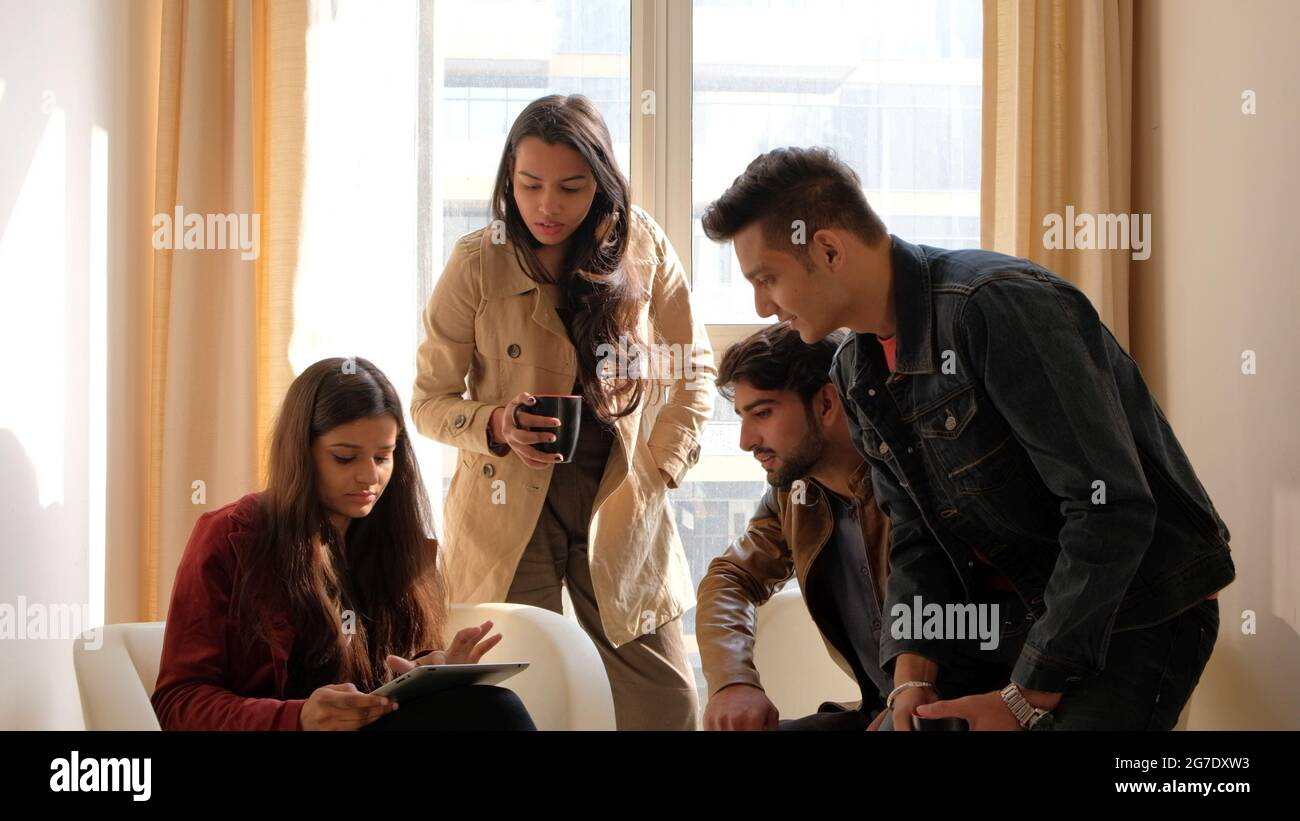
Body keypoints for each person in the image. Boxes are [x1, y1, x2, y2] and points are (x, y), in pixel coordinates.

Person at [701, 146, 1234, 730]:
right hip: (1023, 620)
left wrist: (1026, 693)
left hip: (1137, 613)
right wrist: (911, 679)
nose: (761, 304)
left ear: (828, 249)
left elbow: (1111, 508)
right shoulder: (857, 369)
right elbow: (919, 537)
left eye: (766, 278)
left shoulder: (996, 305)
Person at [411, 95, 715, 730]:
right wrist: (495, 424)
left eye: (571, 187)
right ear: (508, 181)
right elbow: (428, 402)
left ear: (601, 185)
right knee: (524, 699)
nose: (547, 206)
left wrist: (661, 468)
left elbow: (693, 367)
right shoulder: (477, 259)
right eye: (529, 185)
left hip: (618, 492)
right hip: (507, 504)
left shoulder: (643, 245)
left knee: (666, 704)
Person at [152, 357, 535, 731]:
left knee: (487, 704)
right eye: (344, 457)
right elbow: (177, 703)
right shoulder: (230, 535)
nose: (369, 476)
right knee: (495, 710)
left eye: (384, 457)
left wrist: (426, 671)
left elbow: (383, 686)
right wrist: (298, 718)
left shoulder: (398, 541)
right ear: (301, 452)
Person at [697, 322, 893, 731]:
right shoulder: (795, 494)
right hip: (878, 713)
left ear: (825, 403)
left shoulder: (910, 486)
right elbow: (730, 576)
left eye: (762, 413)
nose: (746, 440)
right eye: (741, 417)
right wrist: (732, 681)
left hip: (955, 710)